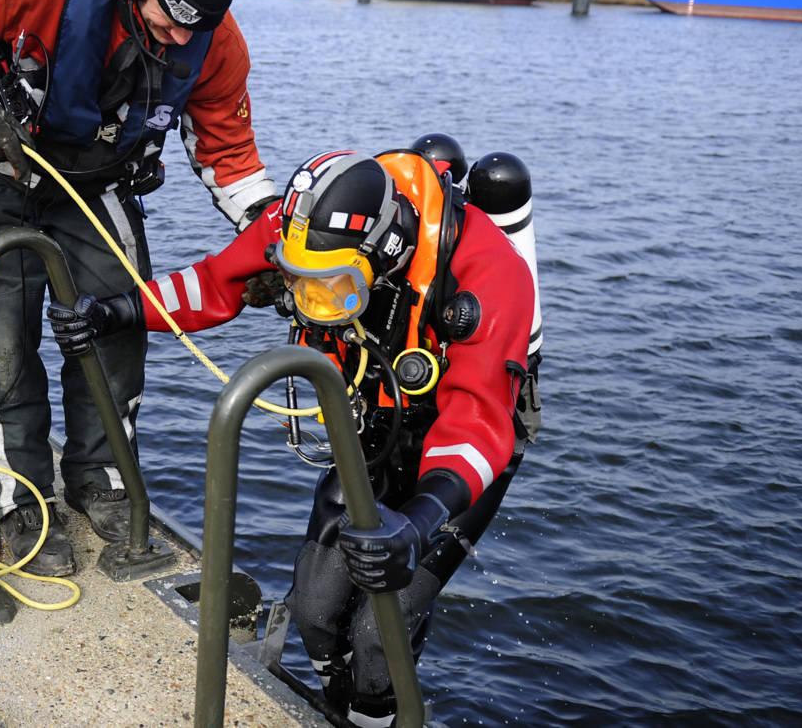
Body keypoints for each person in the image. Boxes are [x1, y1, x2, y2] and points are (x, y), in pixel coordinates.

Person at [49, 146, 541, 725]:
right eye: (298, 280)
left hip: (463, 459)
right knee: (313, 609)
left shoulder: (489, 277)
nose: (311, 303)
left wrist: (422, 520)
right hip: (374, 423)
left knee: (381, 630)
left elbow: (480, 423)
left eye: (328, 286)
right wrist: (118, 311)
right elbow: (214, 284)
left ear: (383, 253)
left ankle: (378, 712)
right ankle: (340, 700)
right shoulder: (300, 224)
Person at [0, 0, 280, 577]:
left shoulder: (213, 42)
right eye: (168, 22)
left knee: (117, 325)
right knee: (3, 336)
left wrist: (272, 240)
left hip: (99, 179)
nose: (180, 42)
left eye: (196, 30)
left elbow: (229, 153)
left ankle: (100, 480)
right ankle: (15, 498)